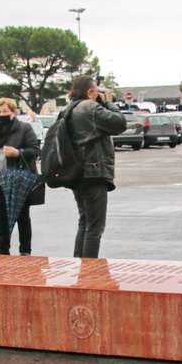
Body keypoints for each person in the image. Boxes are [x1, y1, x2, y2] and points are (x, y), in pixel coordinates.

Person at [63, 75, 126, 258]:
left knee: (84, 222)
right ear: (90, 92)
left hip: (75, 172)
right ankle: (88, 270)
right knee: (95, 227)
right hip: (93, 172)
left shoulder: (68, 108)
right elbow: (119, 123)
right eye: (96, 91)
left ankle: (79, 265)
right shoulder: (89, 107)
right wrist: (109, 103)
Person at [0, 97, 42, 255]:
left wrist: (18, 153)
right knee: (1, 219)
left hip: (18, 180)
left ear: (14, 113)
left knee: (22, 217)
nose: (1, 114)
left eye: (5, 111)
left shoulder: (24, 128)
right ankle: (3, 250)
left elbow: (35, 150)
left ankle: (25, 251)